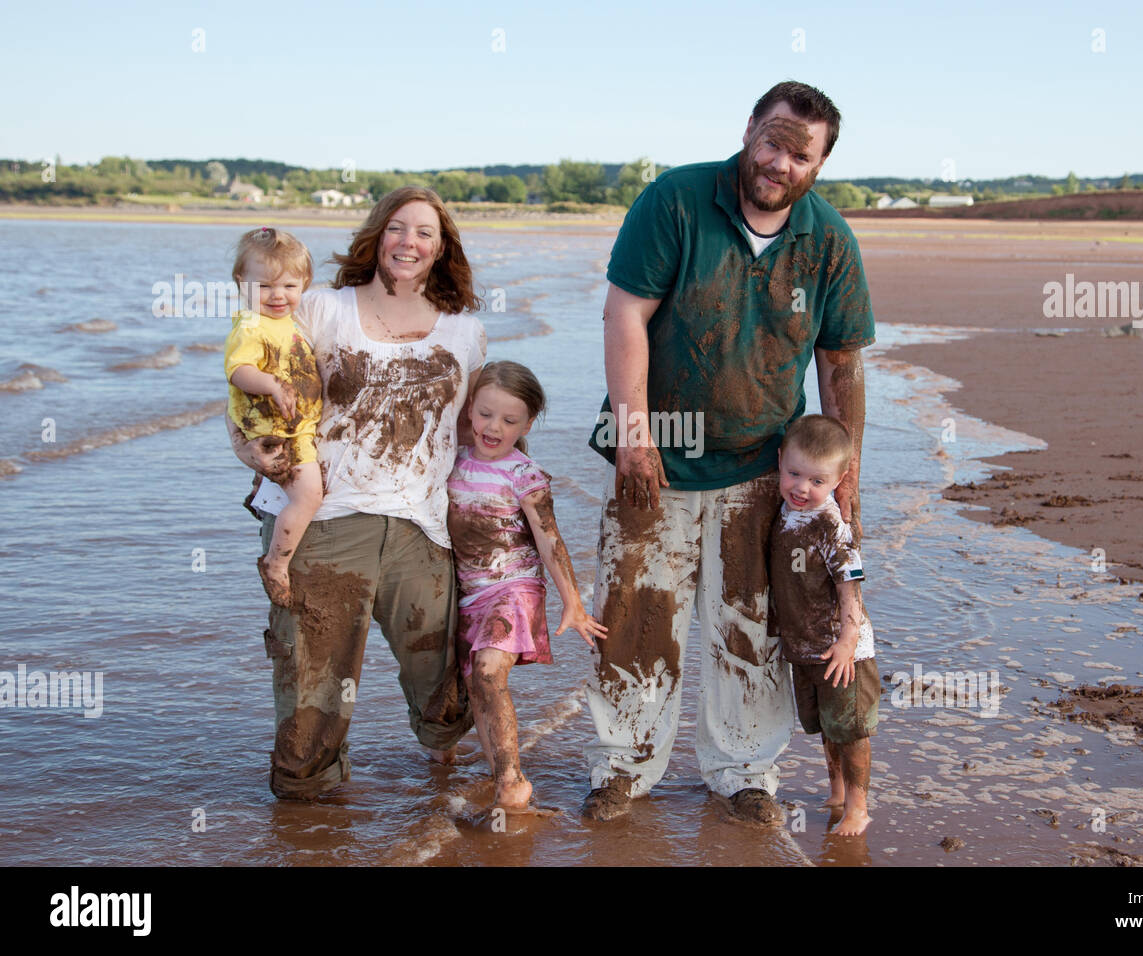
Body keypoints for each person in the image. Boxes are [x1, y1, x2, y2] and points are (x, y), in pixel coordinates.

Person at [582, 80, 875, 825]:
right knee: (637, 616)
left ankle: (745, 772)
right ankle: (623, 766)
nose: (779, 161)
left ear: (820, 164)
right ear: (749, 130)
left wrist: (848, 485)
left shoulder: (829, 241)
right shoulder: (676, 200)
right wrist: (635, 436)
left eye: (799, 153)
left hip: (763, 470)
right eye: (771, 140)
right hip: (656, 458)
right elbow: (626, 313)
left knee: (750, 625)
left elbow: (839, 365)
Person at [227, 185, 486, 800]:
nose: (409, 242)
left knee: (439, 676)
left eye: (425, 232)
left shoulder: (467, 331)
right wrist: (245, 450)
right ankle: (306, 805)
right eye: (398, 228)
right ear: (378, 235)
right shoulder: (321, 309)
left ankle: (445, 768)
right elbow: (248, 395)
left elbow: (476, 432)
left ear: (442, 247)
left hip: (421, 525)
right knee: (312, 682)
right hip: (323, 519)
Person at [447, 360, 607, 809]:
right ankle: (491, 765)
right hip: (469, 592)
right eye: (484, 414)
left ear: (528, 423)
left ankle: (513, 783)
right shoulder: (454, 460)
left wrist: (572, 602)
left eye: (509, 420)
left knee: (488, 673)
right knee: (475, 684)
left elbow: (549, 538)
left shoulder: (524, 475)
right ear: (469, 411)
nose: (493, 427)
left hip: (513, 587)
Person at [767, 415, 878, 836]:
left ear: (840, 479)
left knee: (850, 730)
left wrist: (849, 638)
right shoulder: (784, 511)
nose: (801, 488)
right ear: (780, 462)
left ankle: (858, 807)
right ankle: (834, 790)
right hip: (805, 645)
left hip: (842, 647)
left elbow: (850, 583)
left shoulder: (832, 524)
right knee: (826, 727)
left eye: (817, 480)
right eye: (794, 474)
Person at [224, 227, 323, 607]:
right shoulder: (251, 326)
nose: (277, 296)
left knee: (300, 492)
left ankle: (258, 492)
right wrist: (271, 385)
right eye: (264, 287)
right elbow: (238, 371)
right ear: (241, 283)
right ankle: (276, 563)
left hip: (293, 426)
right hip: (278, 431)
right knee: (309, 495)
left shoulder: (285, 322)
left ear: (305, 284)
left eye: (288, 286)